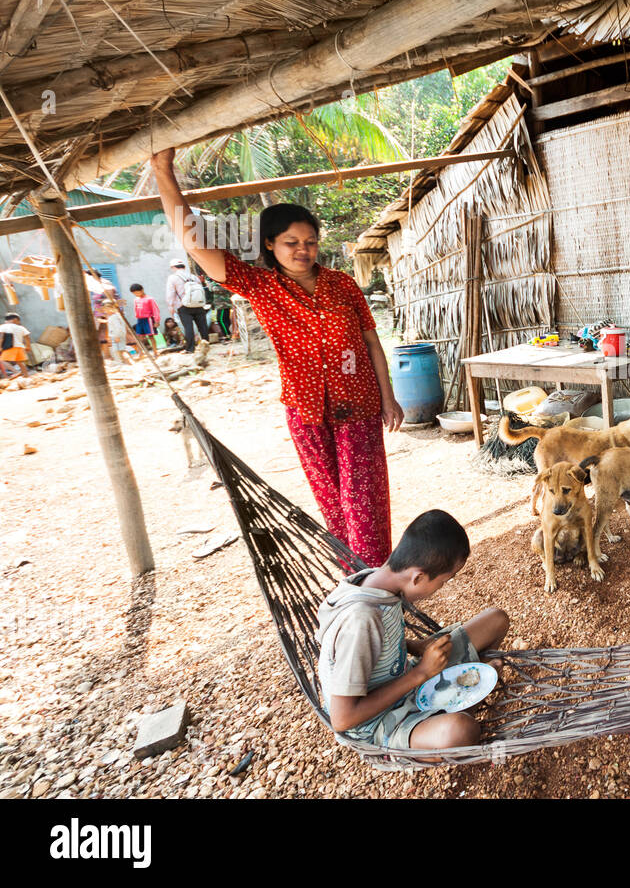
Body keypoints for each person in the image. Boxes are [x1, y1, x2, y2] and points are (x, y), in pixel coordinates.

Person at [151, 147, 404, 565]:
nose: (303, 250)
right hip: (306, 412)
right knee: (335, 509)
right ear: (270, 244)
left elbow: (372, 343)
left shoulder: (342, 285)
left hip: (358, 405)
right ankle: (354, 584)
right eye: (291, 242)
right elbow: (195, 244)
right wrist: (163, 170)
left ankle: (377, 589)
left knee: (366, 505)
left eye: (310, 242)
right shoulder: (261, 287)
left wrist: (389, 397)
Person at [315, 510, 509, 754]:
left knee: (495, 620)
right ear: (418, 577)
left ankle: (461, 692)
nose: (442, 588)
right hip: (378, 721)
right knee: (461, 731)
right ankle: (462, 701)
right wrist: (422, 672)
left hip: (407, 677)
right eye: (444, 581)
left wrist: (417, 646)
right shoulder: (359, 620)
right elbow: (343, 719)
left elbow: (376, 645)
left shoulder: (380, 581)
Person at [166, 258, 209, 353]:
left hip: (184, 306)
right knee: (203, 326)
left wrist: (171, 307)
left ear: (173, 267)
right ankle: (206, 346)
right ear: (183, 267)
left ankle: (190, 349)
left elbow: (170, 294)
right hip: (198, 304)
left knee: (188, 327)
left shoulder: (173, 278)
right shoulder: (194, 277)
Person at [128, 283, 161, 352]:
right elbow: (136, 309)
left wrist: (157, 320)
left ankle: (155, 352)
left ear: (142, 290)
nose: (136, 294)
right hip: (140, 320)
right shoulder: (136, 300)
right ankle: (141, 353)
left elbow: (155, 310)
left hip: (148, 319)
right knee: (140, 336)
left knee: (151, 336)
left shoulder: (149, 299)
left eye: (137, 292)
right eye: (134, 293)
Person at [0, 312, 32, 378]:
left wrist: (0, 346)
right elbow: (27, 337)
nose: (19, 322)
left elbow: (1, 337)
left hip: (10, 347)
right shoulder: (21, 327)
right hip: (20, 347)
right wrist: (28, 346)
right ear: (15, 319)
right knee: (19, 362)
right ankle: (26, 375)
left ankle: (16, 372)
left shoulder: (3, 326)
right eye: (18, 321)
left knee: (2, 361)